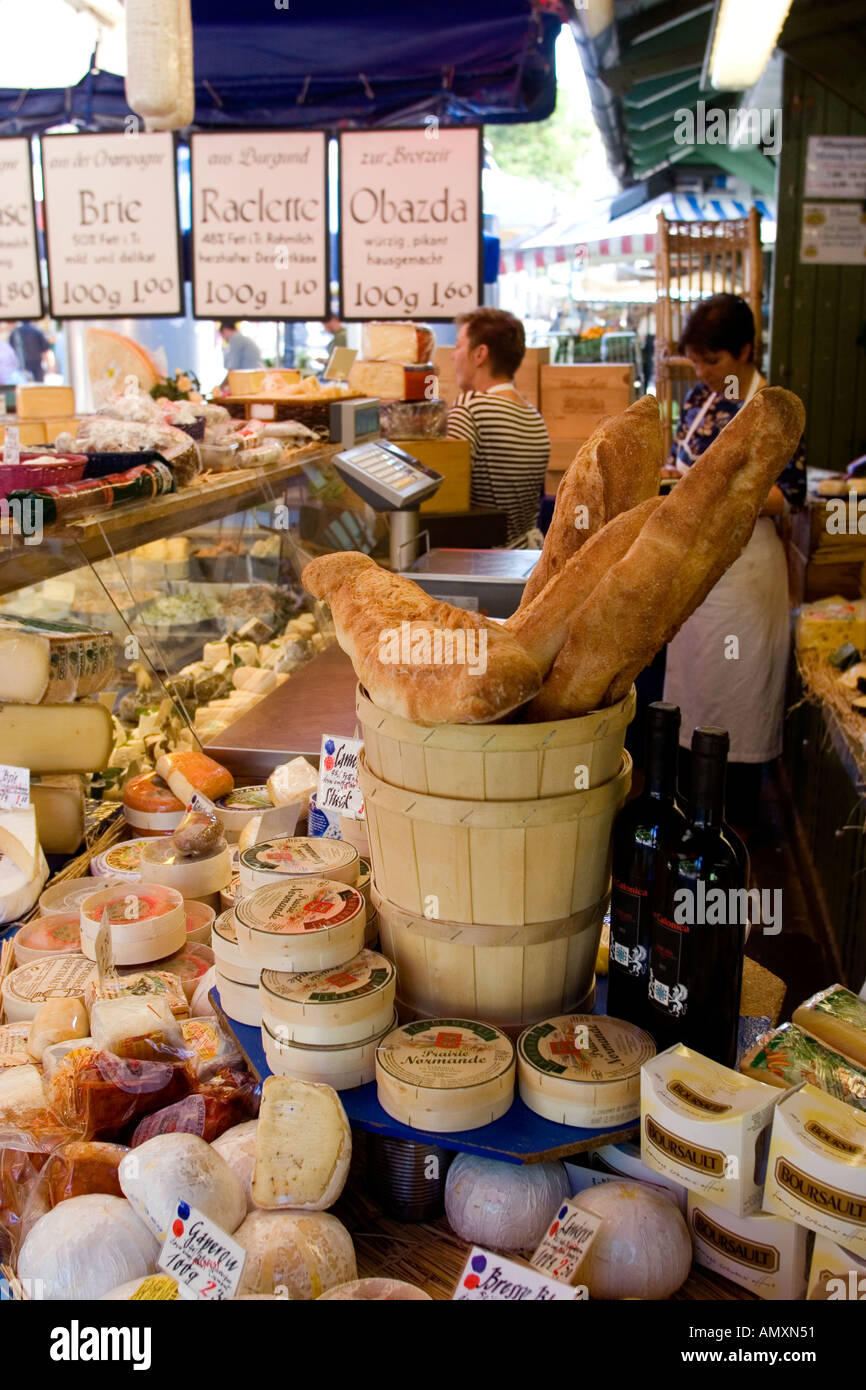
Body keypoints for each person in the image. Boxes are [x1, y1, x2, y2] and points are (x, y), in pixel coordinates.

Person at [662, 293, 806, 833]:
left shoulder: (774, 410)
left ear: (746, 350)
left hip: (744, 575)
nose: (701, 371)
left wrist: (712, 495)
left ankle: (732, 831)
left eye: (713, 360)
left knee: (737, 703)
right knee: (693, 695)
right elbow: (678, 465)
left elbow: (784, 496)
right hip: (695, 573)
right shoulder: (700, 399)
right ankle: (686, 819)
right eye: (696, 360)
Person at [446, 307, 550, 545]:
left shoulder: (470, 407)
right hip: (525, 557)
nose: (453, 356)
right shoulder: (533, 416)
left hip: (485, 561)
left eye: (458, 345)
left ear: (479, 354)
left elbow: (447, 494)